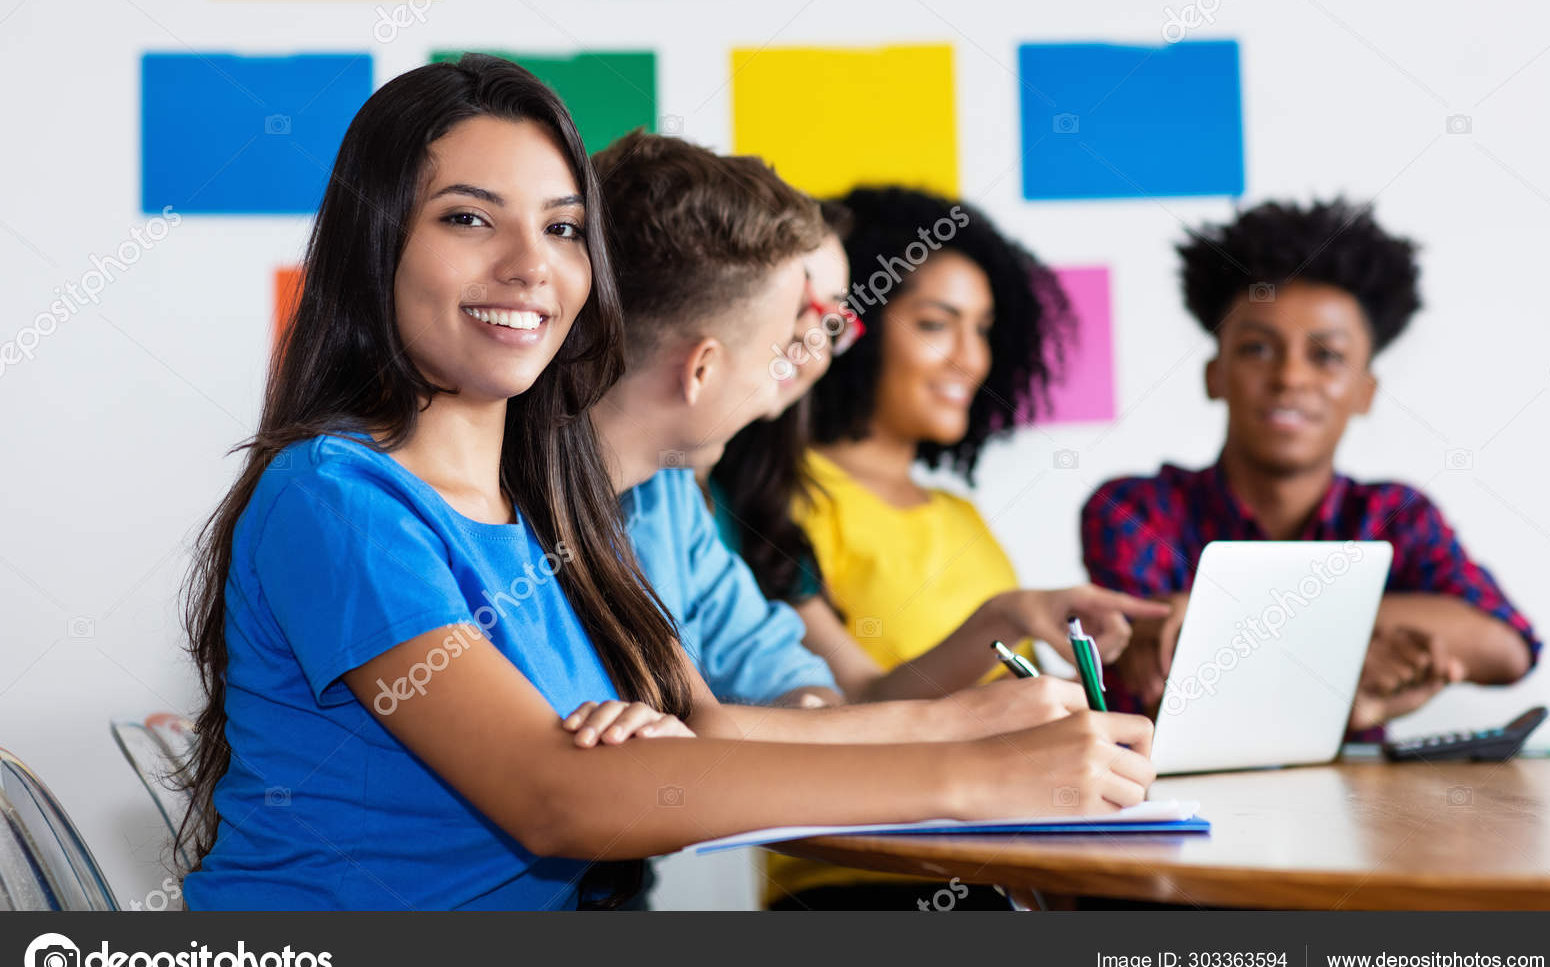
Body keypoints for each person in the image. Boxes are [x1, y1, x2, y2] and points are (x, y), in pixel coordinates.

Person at [176, 55, 1154, 912]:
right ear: (378, 243)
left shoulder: (571, 498)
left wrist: (959, 726)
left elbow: (703, 727)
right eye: (468, 218)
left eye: (563, 228)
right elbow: (555, 798)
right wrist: (972, 771)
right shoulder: (336, 498)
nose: (529, 266)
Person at [747, 185, 1166, 908]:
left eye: (984, 329)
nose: (971, 358)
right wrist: (1002, 618)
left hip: (1005, 871)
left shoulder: (961, 516)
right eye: (937, 324)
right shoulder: (784, 499)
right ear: (853, 326)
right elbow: (855, 713)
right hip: (861, 885)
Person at [1080, 199, 1538, 731]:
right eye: (1257, 349)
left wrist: (1224, 616)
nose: (1290, 378)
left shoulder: (1397, 514)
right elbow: (1156, 684)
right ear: (1214, 375)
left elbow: (1506, 646)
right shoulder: (1133, 509)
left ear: (1365, 392)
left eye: (1326, 356)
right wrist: (1344, 641)